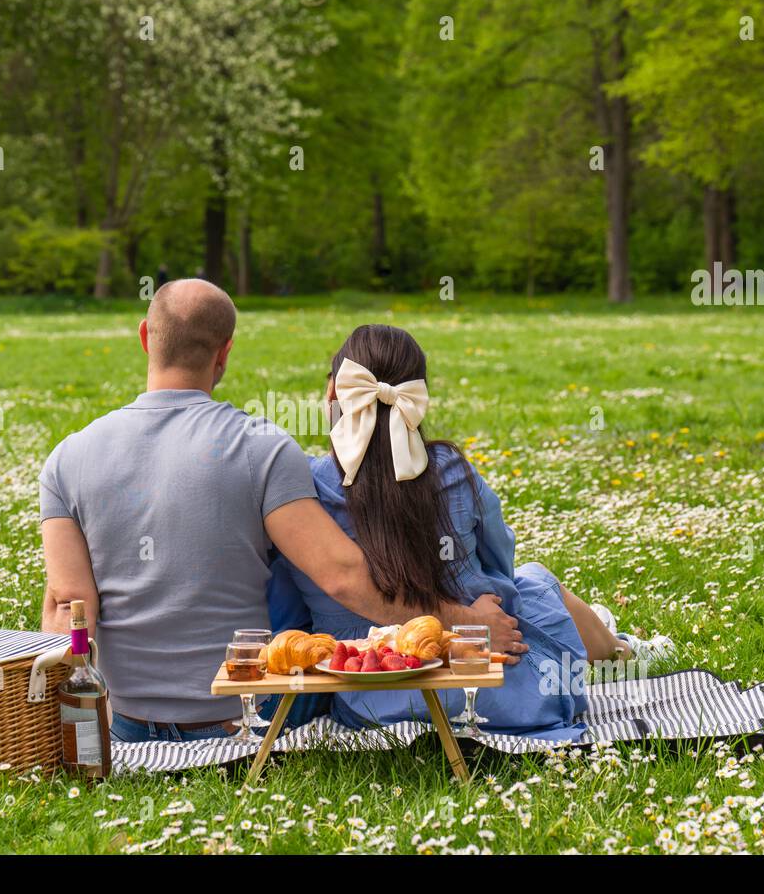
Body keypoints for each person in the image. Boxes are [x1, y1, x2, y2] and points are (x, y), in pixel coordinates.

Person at [37, 281, 524, 743]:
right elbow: (340, 576)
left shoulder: (66, 458)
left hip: (124, 722)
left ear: (145, 339)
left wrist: (58, 731)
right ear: (224, 352)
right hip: (245, 715)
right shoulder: (262, 448)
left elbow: (67, 605)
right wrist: (462, 622)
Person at [267, 324, 674, 740]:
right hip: (497, 687)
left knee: (531, 586)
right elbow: (501, 568)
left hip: (370, 694)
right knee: (534, 583)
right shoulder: (450, 471)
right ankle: (622, 651)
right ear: (417, 400)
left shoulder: (302, 491)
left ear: (333, 393)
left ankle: (622, 647)